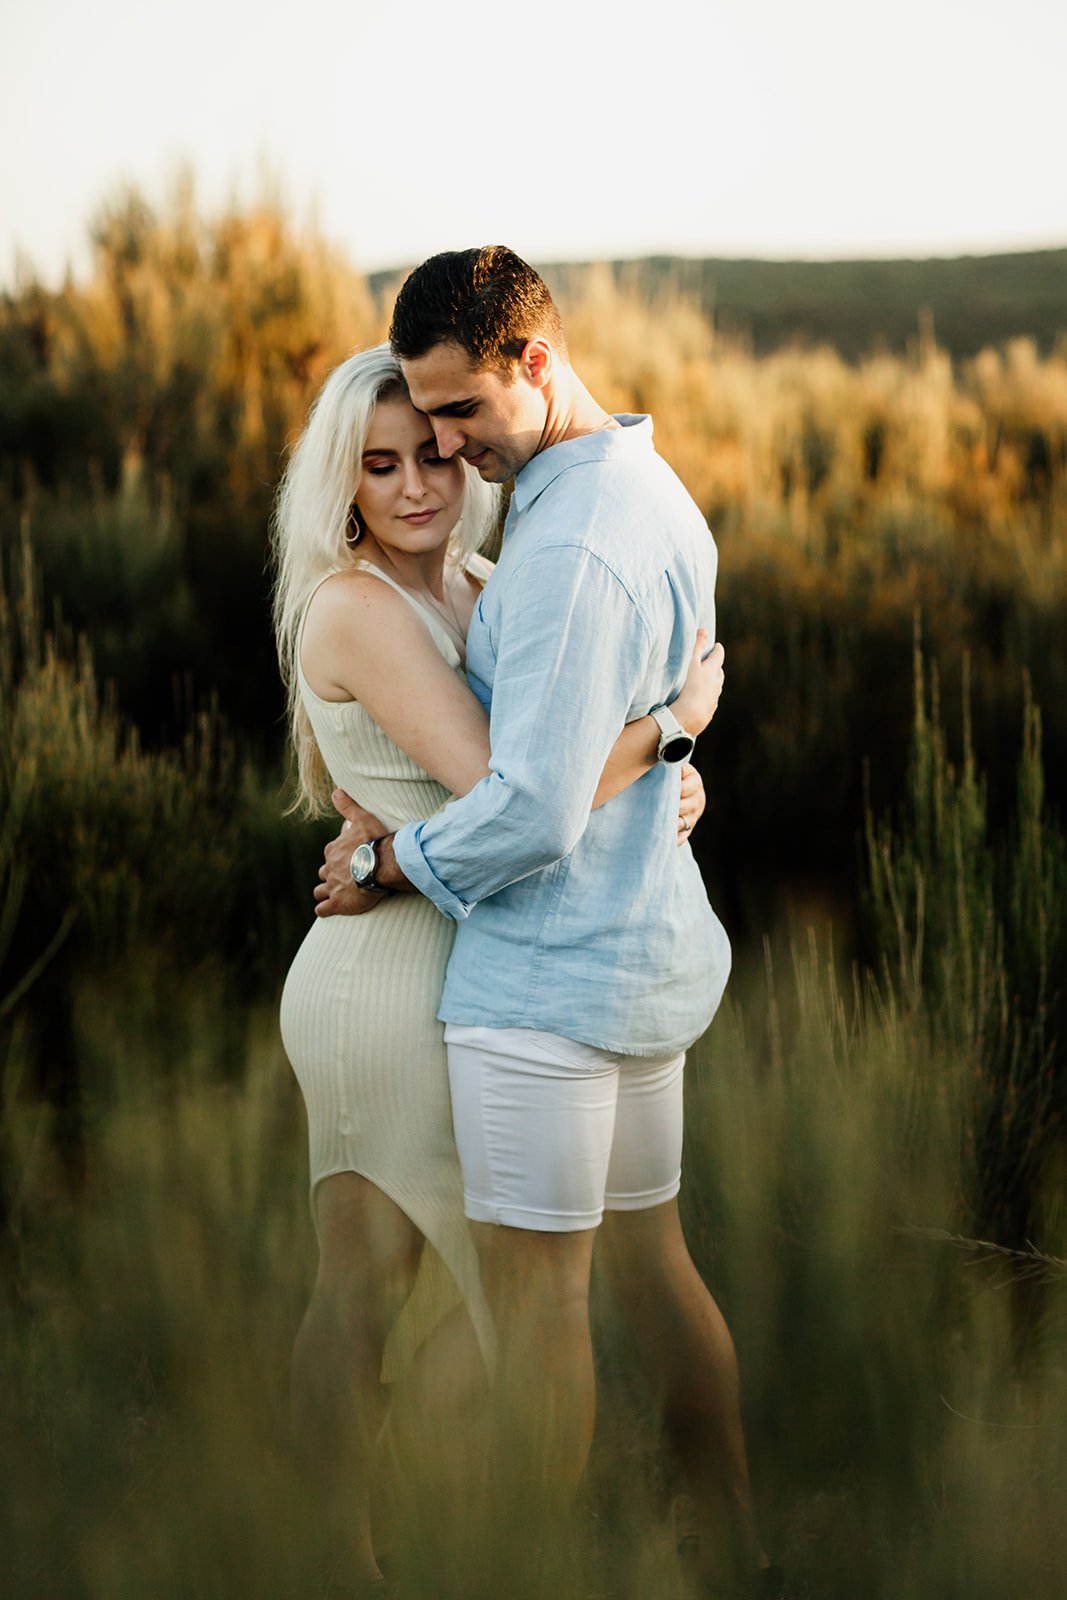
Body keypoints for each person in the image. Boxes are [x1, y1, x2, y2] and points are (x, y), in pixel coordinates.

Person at [315, 248, 769, 1596]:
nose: (444, 448)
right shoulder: (646, 484)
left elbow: (532, 809)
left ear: (534, 361)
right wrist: (680, 733)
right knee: (654, 1270)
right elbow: (629, 734)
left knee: (539, 1317)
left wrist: (393, 859)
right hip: (640, 963)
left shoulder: (568, 548)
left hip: (548, 983)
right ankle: (739, 1552)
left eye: (459, 414)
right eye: (414, 422)